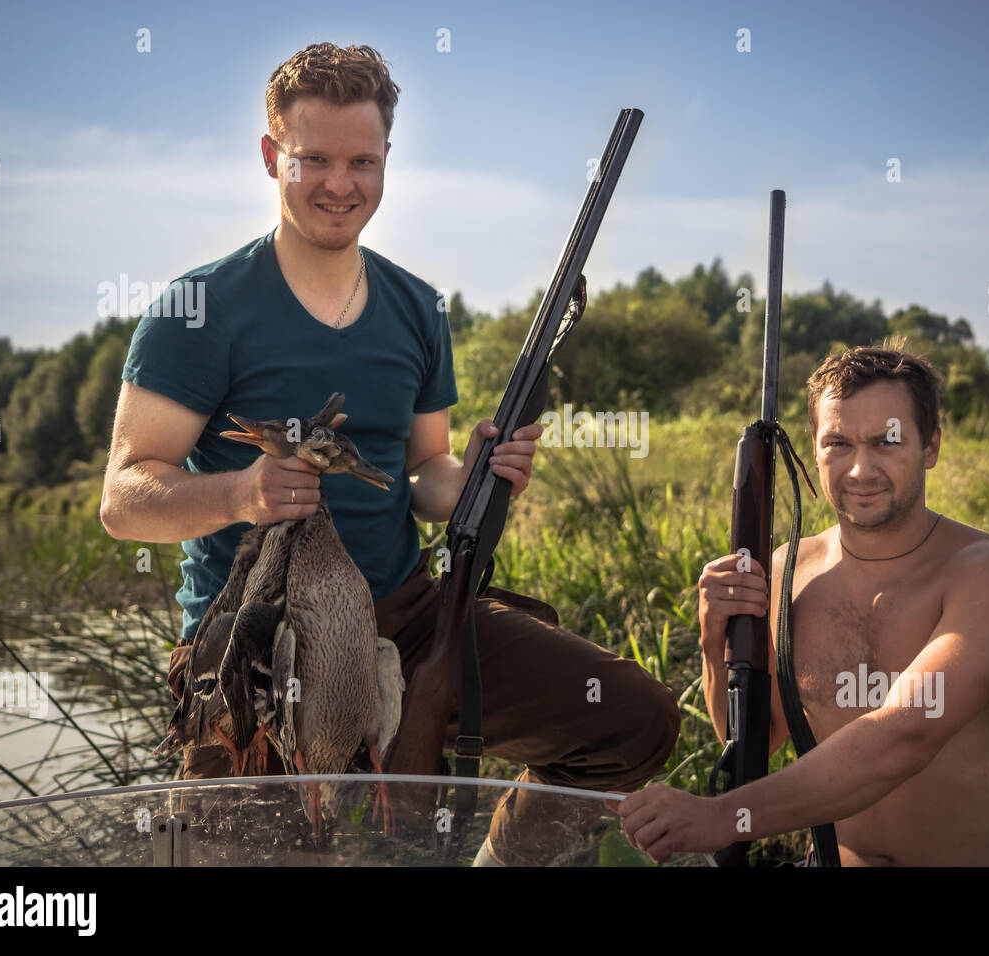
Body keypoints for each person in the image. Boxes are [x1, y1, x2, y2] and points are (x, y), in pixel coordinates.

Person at [100, 42, 679, 866]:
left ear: (386, 161)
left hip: (407, 620)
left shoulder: (416, 307)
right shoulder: (196, 312)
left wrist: (474, 474)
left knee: (632, 720)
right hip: (258, 653)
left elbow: (423, 473)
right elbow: (124, 498)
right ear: (272, 157)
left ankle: (504, 858)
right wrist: (242, 495)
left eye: (362, 161)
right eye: (316, 160)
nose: (342, 183)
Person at [610, 346, 989, 865]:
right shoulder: (785, 571)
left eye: (886, 441)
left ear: (930, 445)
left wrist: (721, 817)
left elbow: (906, 736)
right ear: (814, 451)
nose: (861, 469)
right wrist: (715, 639)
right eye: (838, 443)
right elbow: (754, 739)